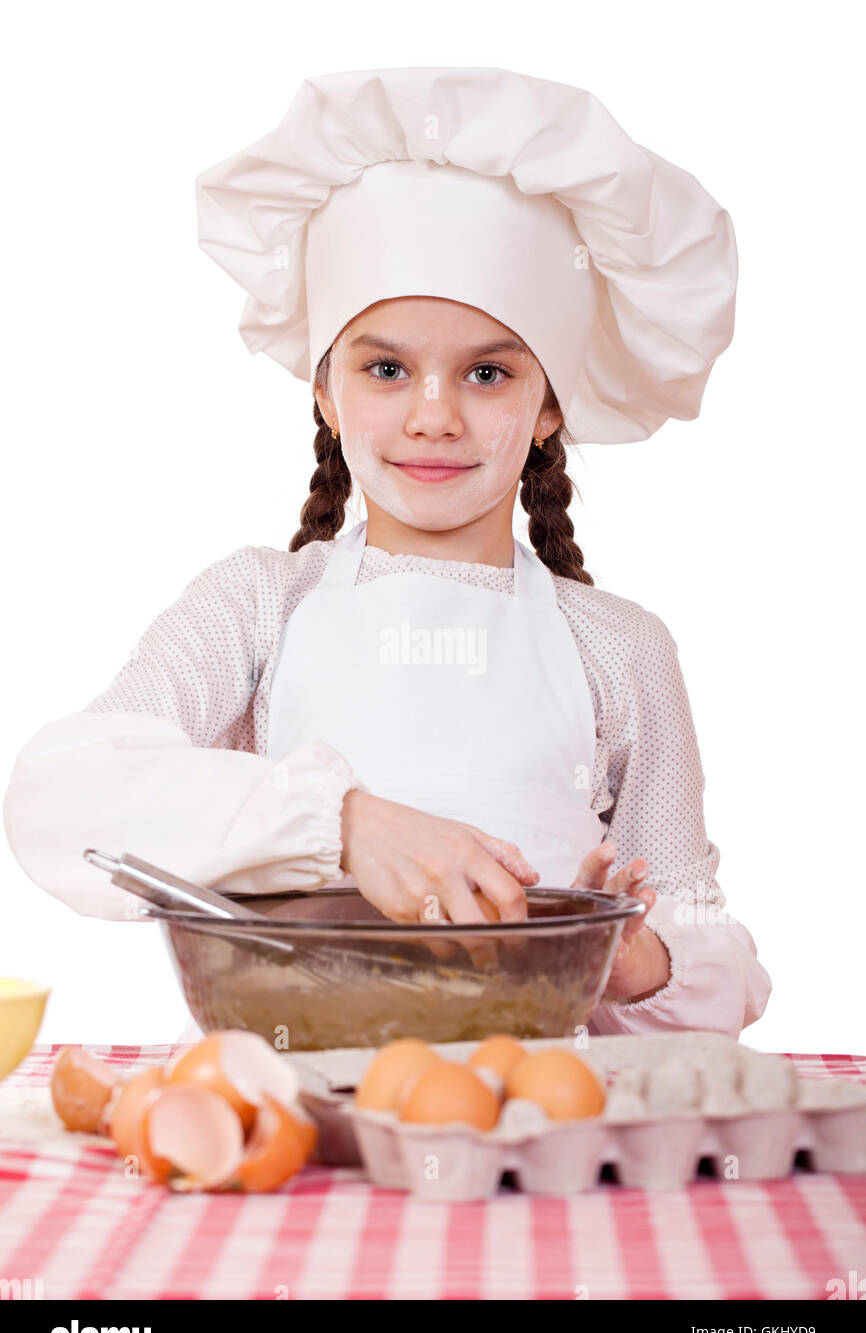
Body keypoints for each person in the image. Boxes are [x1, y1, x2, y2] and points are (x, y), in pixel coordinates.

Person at [2, 66, 771, 1038]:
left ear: (546, 408)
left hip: (526, 1128)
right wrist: (346, 826)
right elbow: (59, 795)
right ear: (324, 391)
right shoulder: (257, 607)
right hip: (296, 1122)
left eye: (486, 371)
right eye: (386, 367)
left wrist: (625, 955)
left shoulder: (619, 650)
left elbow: (708, 937)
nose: (433, 414)